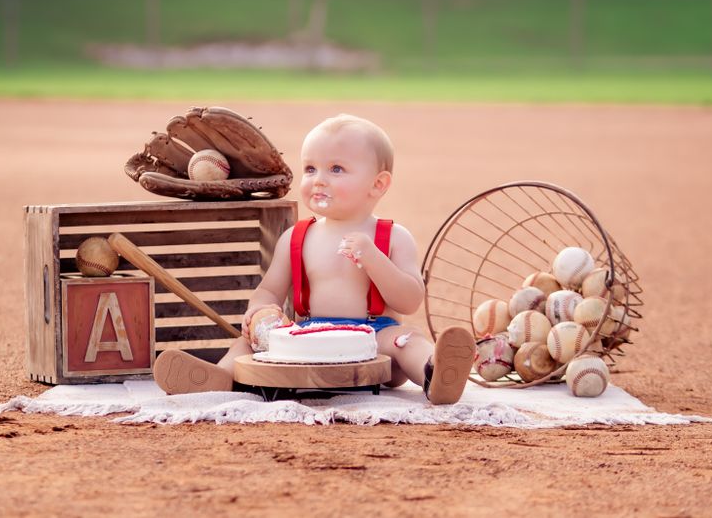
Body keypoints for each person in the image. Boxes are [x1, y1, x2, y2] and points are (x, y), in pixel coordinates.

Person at [153, 114, 475, 404]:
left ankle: (435, 375)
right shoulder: (296, 237)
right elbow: (269, 291)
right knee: (247, 344)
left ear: (378, 184)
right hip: (309, 338)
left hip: (373, 340)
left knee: (407, 341)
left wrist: (374, 259)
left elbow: (409, 301)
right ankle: (220, 378)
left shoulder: (393, 237)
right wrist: (258, 313)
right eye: (310, 168)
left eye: (336, 169)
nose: (319, 179)